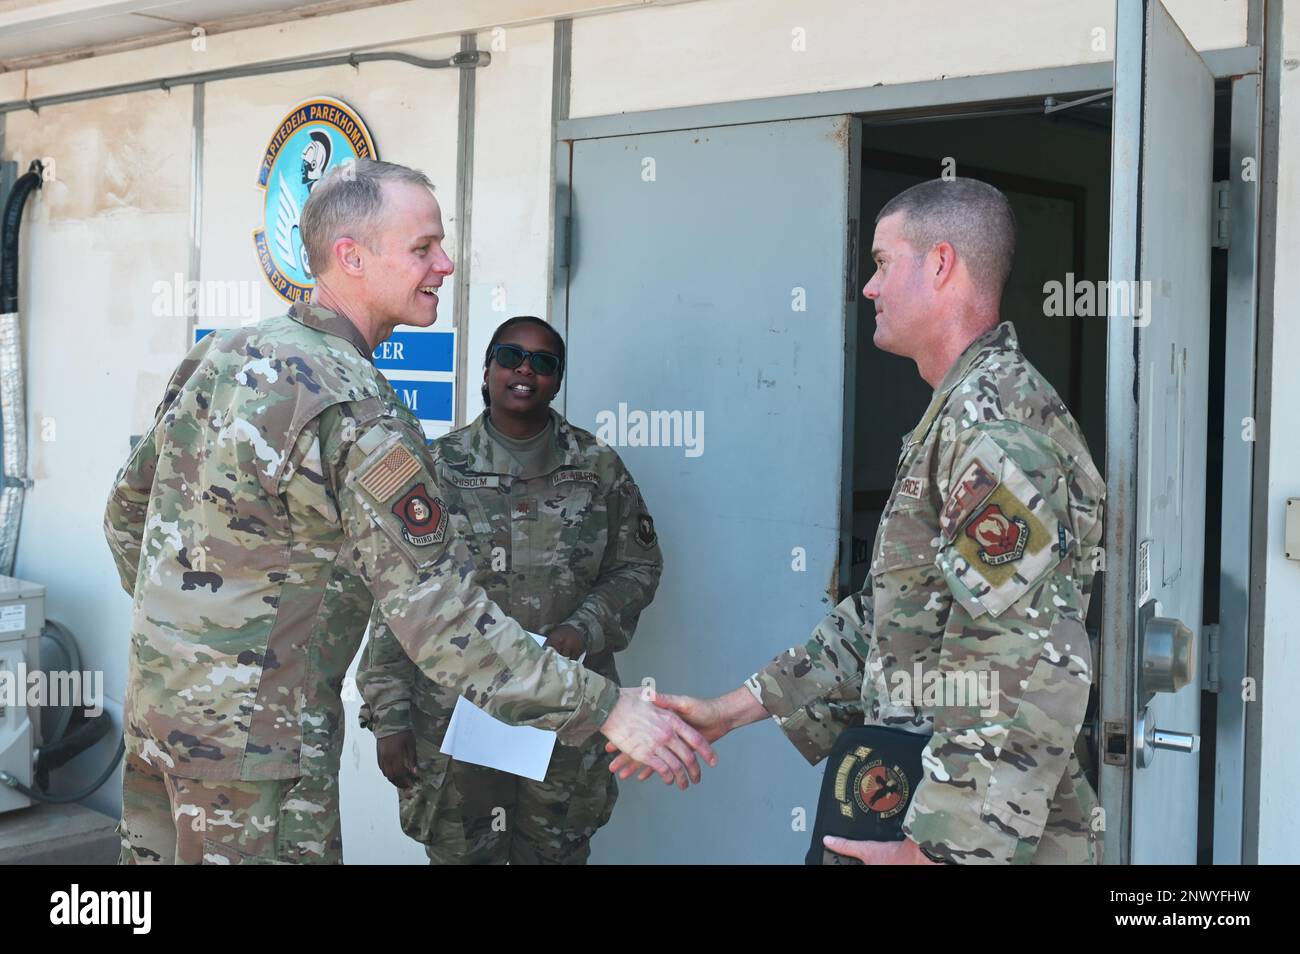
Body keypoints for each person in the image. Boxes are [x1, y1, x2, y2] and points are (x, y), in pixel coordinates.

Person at [102, 159, 714, 865]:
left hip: (159, 724)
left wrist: (195, 651)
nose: (445, 265)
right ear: (351, 258)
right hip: (257, 757)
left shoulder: (220, 357)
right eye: (423, 248)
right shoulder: (359, 408)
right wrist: (607, 709)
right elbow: (440, 617)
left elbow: (127, 515)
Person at [612, 178, 1106, 865]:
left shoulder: (990, 426)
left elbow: (1020, 661)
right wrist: (732, 709)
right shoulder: (959, 413)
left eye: (880, 262)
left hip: (968, 841)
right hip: (911, 791)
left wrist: (938, 854)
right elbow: (892, 616)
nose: (868, 288)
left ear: (940, 264)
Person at [357, 315, 662, 864]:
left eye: (543, 362)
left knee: (554, 855)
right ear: (488, 368)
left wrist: (583, 628)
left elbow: (637, 568)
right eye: (511, 356)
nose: (525, 370)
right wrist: (390, 713)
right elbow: (397, 595)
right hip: (454, 715)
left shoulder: (597, 469)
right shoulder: (438, 467)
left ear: (558, 379)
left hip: (565, 712)